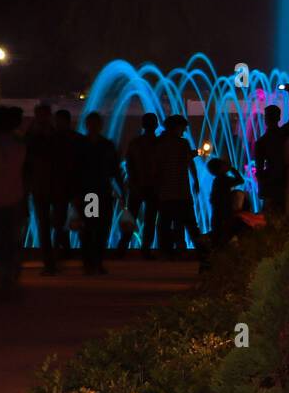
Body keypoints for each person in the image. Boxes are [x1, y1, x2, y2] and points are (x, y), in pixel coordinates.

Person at [0, 105, 27, 300]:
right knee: (14, 242)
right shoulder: (21, 146)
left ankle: (4, 277)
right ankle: (11, 276)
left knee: (0, 243)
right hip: (15, 198)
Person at [75, 111, 124, 275]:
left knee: (102, 228)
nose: (94, 126)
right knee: (90, 227)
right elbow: (75, 170)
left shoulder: (105, 144)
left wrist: (121, 189)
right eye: (92, 124)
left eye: (96, 123)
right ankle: (89, 262)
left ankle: (97, 261)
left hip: (102, 192)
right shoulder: (84, 144)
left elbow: (115, 169)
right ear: (87, 125)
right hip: (90, 194)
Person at [155, 115, 203, 260]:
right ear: (176, 127)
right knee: (188, 221)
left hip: (166, 191)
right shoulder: (182, 143)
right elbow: (187, 160)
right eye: (182, 128)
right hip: (179, 191)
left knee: (166, 222)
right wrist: (195, 178)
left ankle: (168, 251)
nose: (184, 131)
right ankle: (200, 250)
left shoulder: (160, 143)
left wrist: (195, 178)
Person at [253, 84, 289, 214]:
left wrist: (262, 188)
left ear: (265, 120)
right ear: (278, 118)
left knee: (273, 215)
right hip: (285, 179)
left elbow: (259, 169)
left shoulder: (262, 142)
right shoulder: (283, 133)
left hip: (273, 181)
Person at [25, 103, 57, 273]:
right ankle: (50, 262)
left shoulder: (53, 135)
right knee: (45, 225)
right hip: (41, 187)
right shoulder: (33, 136)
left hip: (51, 186)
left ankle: (54, 260)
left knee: (56, 224)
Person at [125, 112, 160, 257]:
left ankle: (122, 245)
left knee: (132, 217)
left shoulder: (135, 143)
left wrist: (132, 182)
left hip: (137, 185)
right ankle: (145, 249)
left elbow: (129, 165)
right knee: (150, 220)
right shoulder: (159, 143)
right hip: (152, 186)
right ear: (156, 125)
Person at [50, 108, 82, 258]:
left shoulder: (55, 139)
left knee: (63, 219)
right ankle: (66, 249)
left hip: (68, 186)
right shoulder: (79, 139)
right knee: (61, 219)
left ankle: (64, 249)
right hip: (71, 187)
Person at [207, 157, 246, 248]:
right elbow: (240, 180)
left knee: (217, 229)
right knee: (226, 229)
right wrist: (232, 169)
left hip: (218, 209)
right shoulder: (224, 179)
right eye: (223, 165)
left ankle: (216, 247)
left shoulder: (217, 180)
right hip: (225, 209)